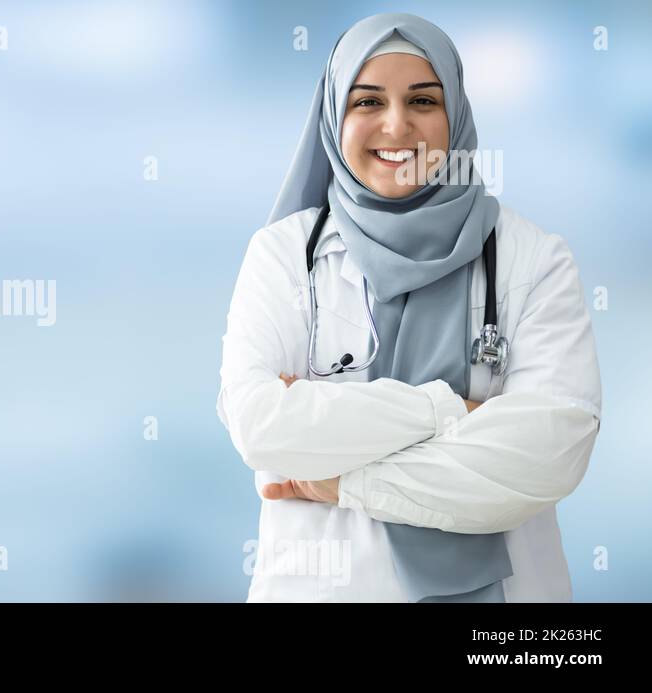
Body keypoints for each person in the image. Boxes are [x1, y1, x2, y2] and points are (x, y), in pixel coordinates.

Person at [217, 13, 601, 602]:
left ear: (457, 115)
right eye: (367, 101)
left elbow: (550, 451)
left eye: (423, 99)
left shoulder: (534, 259)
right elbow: (262, 427)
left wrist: (341, 482)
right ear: (333, 117)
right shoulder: (284, 255)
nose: (397, 127)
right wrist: (448, 410)